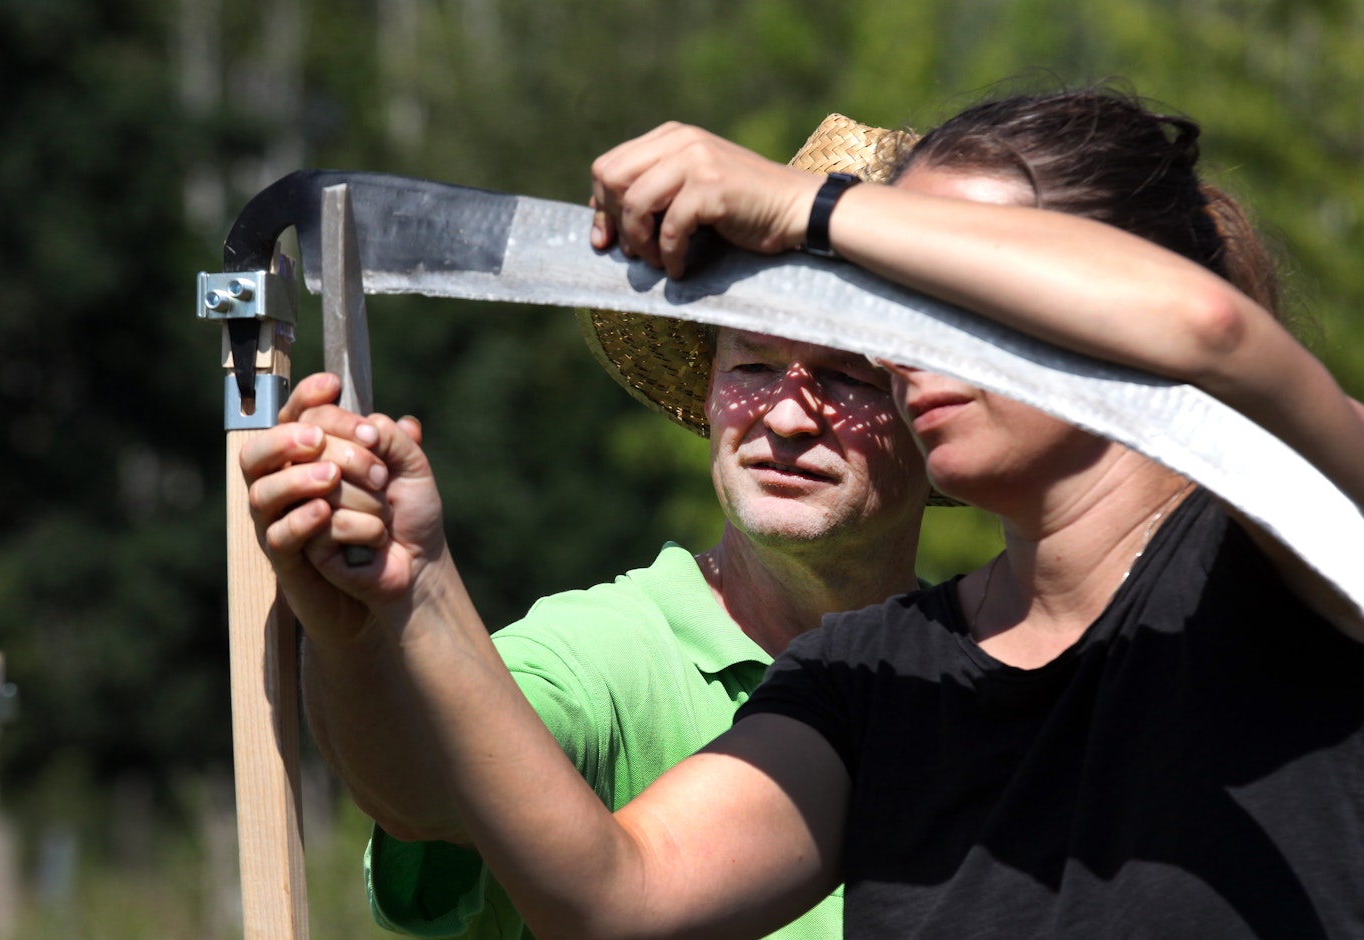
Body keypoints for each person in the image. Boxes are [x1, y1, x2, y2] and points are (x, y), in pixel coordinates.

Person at [252, 85, 1364, 937]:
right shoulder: (877, 674)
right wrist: (417, 585)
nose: (898, 344)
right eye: (890, 305)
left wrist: (815, 210)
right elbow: (613, 896)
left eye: (943, 291)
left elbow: (1210, 334)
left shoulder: (1297, 551)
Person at [244, 115, 939, 938]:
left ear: (934, 409)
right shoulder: (598, 656)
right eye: (751, 364)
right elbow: (425, 792)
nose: (786, 415)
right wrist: (363, 632)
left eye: (846, 375)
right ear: (711, 392)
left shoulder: (977, 675)